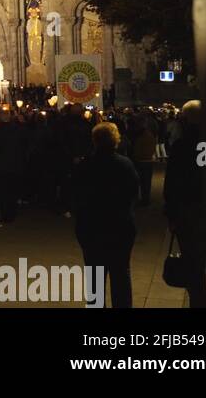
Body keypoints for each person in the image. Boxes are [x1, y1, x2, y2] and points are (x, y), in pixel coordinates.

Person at [71, 122, 138, 308]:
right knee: (121, 275)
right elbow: (133, 194)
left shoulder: (84, 166)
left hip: (92, 228)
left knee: (94, 276)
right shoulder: (124, 165)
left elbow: (75, 196)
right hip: (119, 227)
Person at [163, 100, 206, 307]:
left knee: (192, 262)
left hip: (189, 212)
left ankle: (198, 300)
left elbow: (172, 184)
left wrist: (172, 215)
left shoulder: (182, 146)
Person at [129, 115, 157, 206]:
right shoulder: (149, 135)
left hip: (141, 161)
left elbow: (138, 149)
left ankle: (142, 200)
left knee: (139, 182)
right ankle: (145, 199)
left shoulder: (141, 135)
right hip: (147, 160)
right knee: (146, 183)